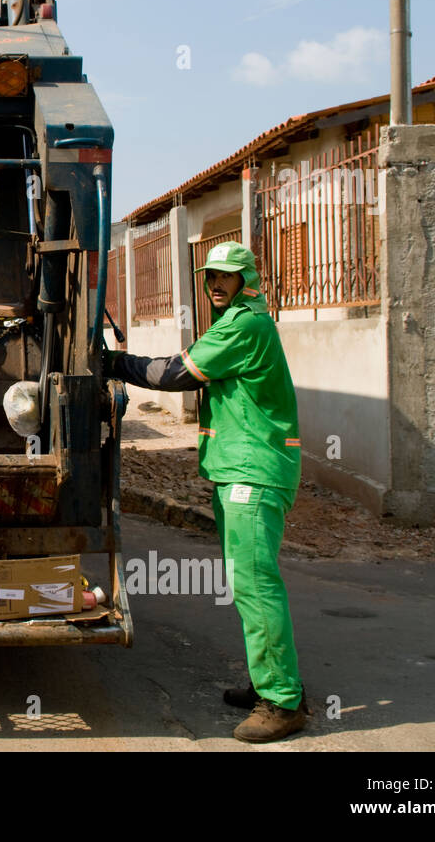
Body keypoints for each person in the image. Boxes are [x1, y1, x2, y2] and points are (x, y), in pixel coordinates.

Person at [103, 241, 308, 743]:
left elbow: (174, 374)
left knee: (256, 586)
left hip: (253, 473)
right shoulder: (235, 322)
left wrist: (112, 362)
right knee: (247, 584)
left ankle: (282, 702)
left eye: (227, 276)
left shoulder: (244, 325)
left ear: (247, 278)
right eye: (211, 275)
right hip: (243, 470)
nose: (216, 283)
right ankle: (274, 684)